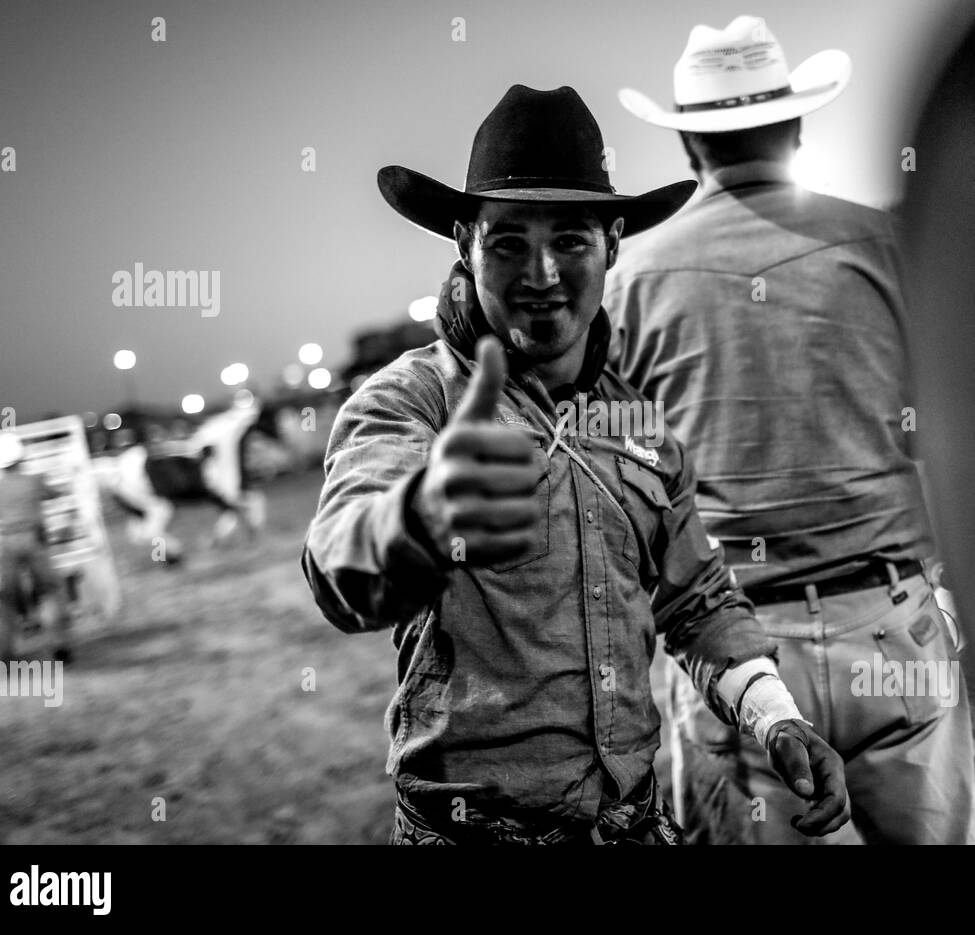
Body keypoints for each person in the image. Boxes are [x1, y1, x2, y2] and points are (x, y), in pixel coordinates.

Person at [301, 84, 851, 844]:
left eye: (569, 240)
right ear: (464, 241)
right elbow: (341, 566)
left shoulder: (641, 425)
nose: (542, 274)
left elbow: (696, 602)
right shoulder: (413, 402)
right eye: (508, 242)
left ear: (613, 244)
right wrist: (422, 516)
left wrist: (774, 715)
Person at [606, 16, 975, 844]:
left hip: (735, 652)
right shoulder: (887, 244)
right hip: (891, 627)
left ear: (689, 146)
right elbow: (953, 438)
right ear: (798, 127)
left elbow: (619, 484)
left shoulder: (630, 282)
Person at [0, 432, 72, 663]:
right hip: (34, 540)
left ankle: (6, 653)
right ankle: (59, 645)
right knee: (48, 592)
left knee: (8, 599)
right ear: (20, 459)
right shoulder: (34, 481)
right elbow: (54, 493)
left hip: (7, 543)